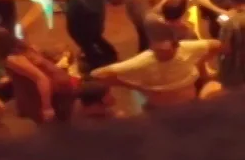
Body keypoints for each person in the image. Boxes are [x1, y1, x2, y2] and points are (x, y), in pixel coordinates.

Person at [90, 34, 221, 109]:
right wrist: (133, 86)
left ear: (176, 47)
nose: (160, 55)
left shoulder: (187, 48)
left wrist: (200, 63)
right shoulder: (142, 61)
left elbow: (217, 45)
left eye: (165, 51)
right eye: (156, 51)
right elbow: (98, 74)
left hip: (188, 102)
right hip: (161, 107)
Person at [59, 0, 117, 72]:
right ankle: (111, 54)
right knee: (97, 39)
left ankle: (95, 64)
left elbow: (71, 14)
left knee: (87, 47)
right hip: (96, 24)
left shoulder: (74, 0)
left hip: (82, 31)